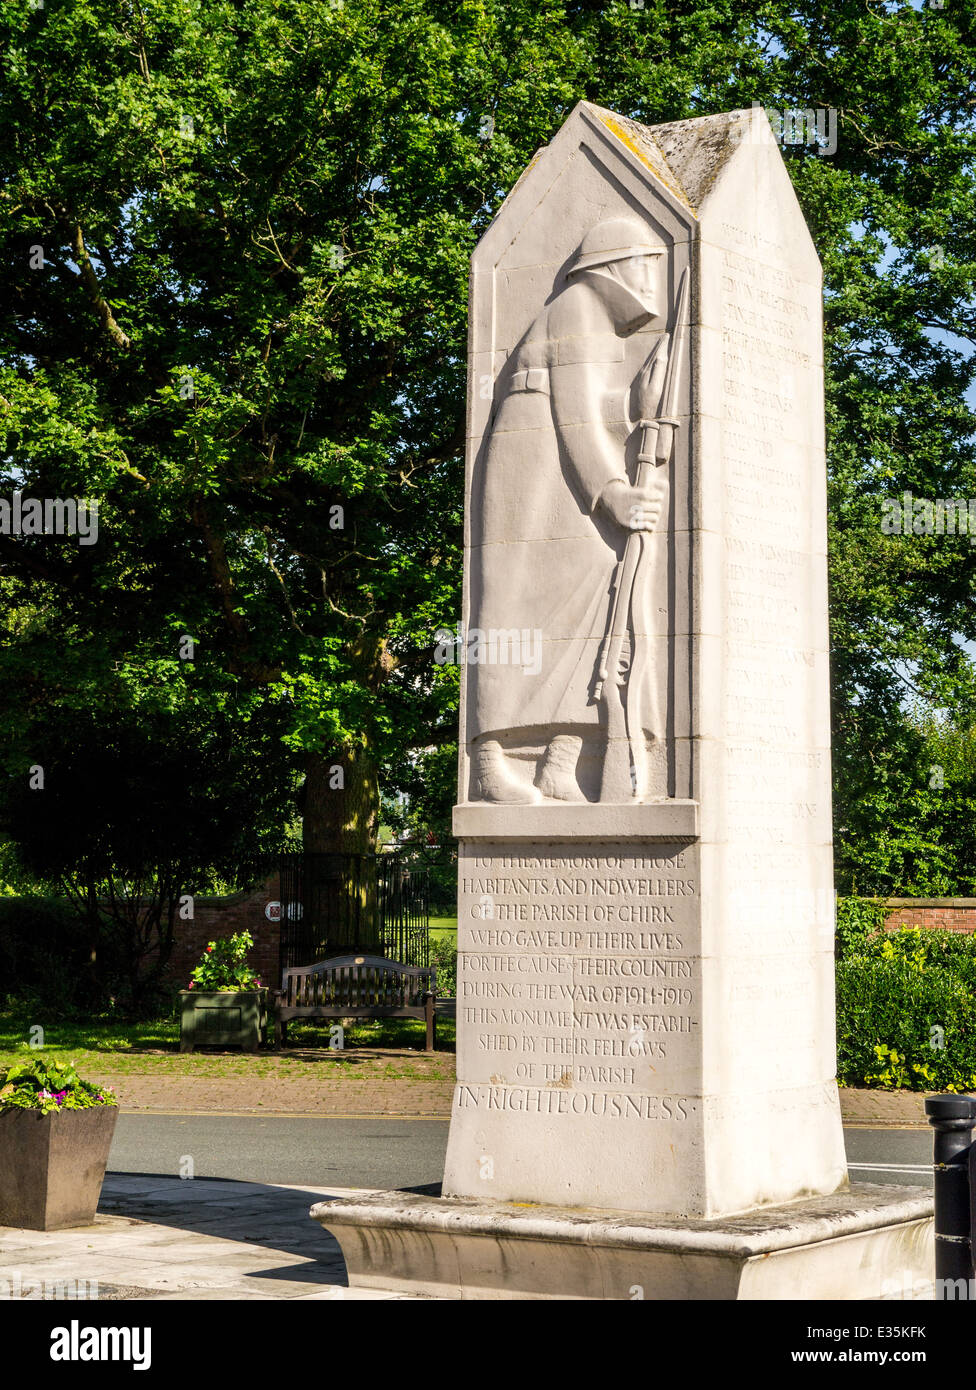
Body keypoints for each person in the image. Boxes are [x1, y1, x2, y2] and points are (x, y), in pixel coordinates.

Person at [468, 217, 669, 803]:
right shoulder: (578, 305)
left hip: (557, 452)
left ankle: (562, 757)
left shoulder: (596, 324)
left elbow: (592, 407)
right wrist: (613, 494)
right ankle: (489, 761)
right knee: (511, 598)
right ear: (610, 265)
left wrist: (639, 402)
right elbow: (574, 413)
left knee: (599, 585)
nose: (651, 277)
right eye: (644, 262)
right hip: (534, 453)